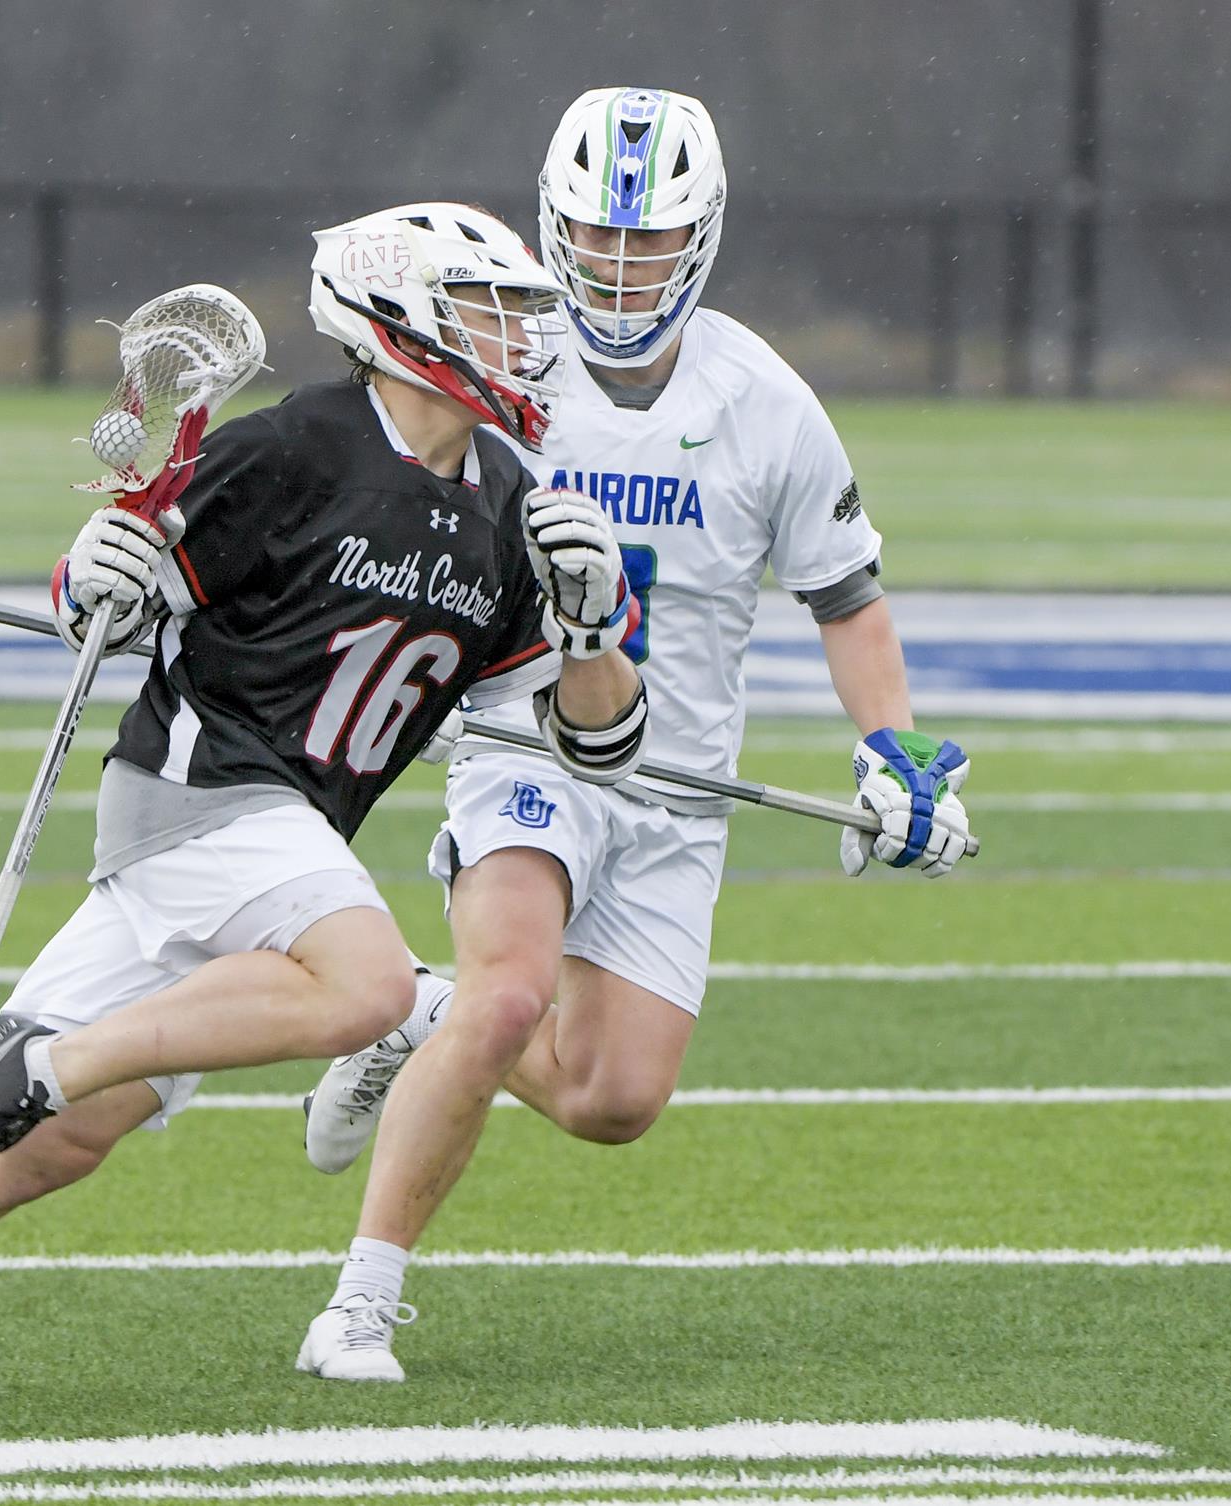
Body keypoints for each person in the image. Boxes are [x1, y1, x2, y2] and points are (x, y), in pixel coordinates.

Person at [0, 200, 649, 1422]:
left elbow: (598, 741)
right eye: (487, 314)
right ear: (397, 323)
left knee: (42, 1147)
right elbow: (105, 600)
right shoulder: (290, 447)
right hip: (200, 791)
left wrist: (593, 627)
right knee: (373, 990)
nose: (518, 342)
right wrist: (95, 570)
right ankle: (45, 1065)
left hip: (275, 842)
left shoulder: (512, 504)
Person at [294, 88, 974, 1383]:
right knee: (511, 995)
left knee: (614, 1100)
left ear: (700, 241)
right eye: (595, 243)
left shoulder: (763, 399)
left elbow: (848, 595)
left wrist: (898, 750)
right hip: (523, 736)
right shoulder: (502, 369)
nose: (615, 271)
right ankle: (360, 1304)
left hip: (676, 782)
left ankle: (415, 1017)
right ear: (552, 232)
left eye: (646, 245)